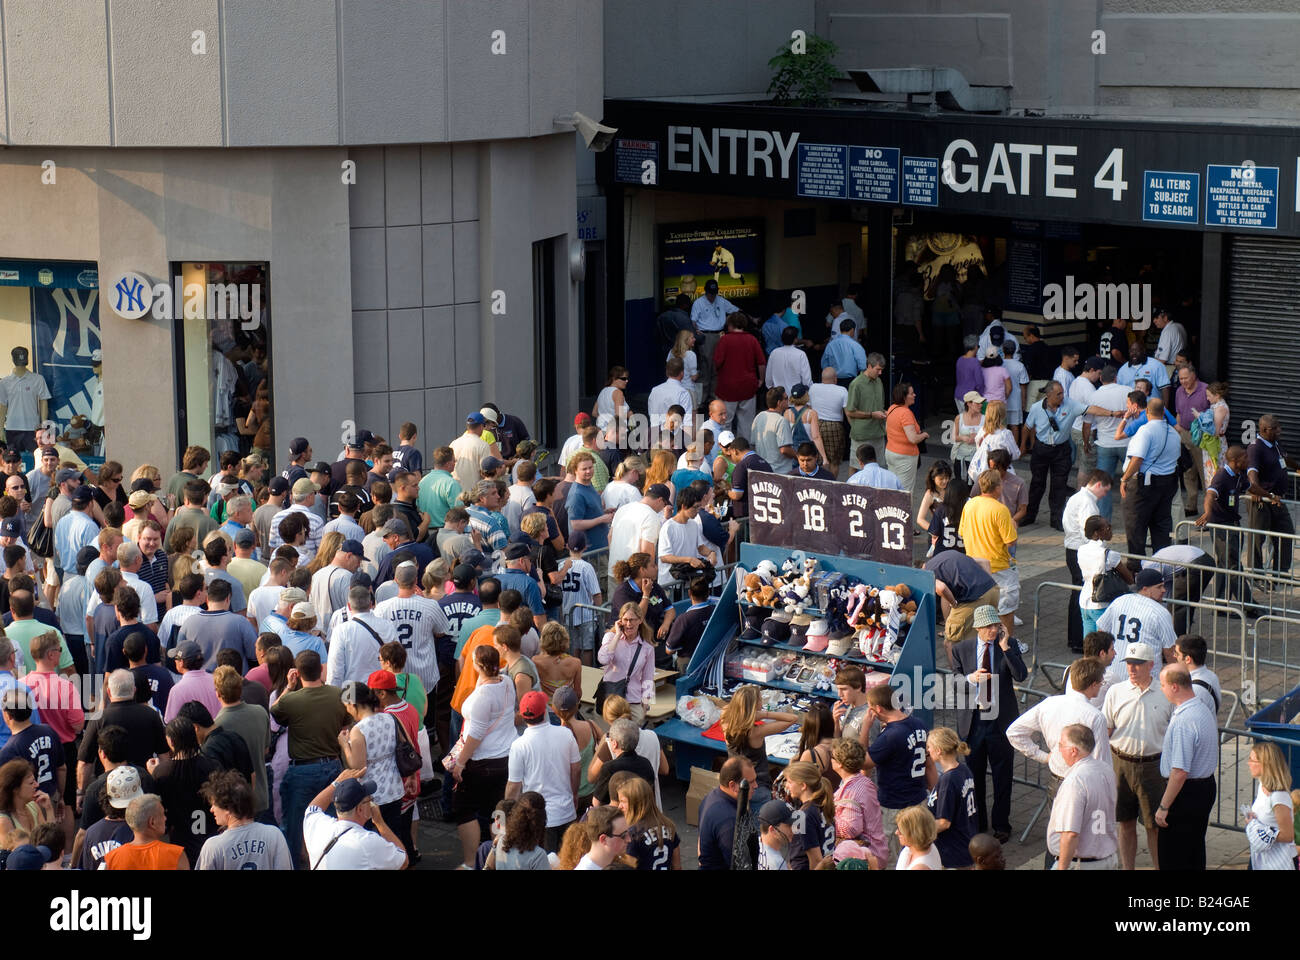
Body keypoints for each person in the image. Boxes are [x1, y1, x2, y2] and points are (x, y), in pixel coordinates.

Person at [949, 604, 1026, 842]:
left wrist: (1005, 648)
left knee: (1003, 775)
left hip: (1000, 721)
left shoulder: (1008, 645)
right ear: (978, 628)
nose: (994, 630)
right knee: (974, 775)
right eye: (989, 627)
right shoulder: (962, 648)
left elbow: (1021, 675)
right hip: (973, 722)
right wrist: (970, 679)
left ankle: (1002, 824)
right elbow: (954, 682)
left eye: (996, 625)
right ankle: (978, 821)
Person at [269, 650, 348, 870]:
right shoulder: (338, 694)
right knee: (335, 825)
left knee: (293, 827)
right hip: (333, 766)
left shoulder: (292, 700)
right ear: (321, 670)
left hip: (301, 771)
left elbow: (274, 712)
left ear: (297, 672)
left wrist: (288, 686)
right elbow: (348, 719)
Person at [1102, 642, 1172, 870]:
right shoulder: (1116, 692)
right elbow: (1107, 728)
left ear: (1151, 665)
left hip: (1153, 765)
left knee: (1154, 825)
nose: (1132, 669)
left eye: (1138, 664)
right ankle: (1128, 868)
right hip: (1120, 763)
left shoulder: (1165, 694)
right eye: (1129, 663)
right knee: (1125, 821)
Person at [449, 644, 517, 871]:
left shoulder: (481, 698)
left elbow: (476, 734)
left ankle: (470, 863)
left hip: (481, 761)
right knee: (497, 810)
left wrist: (460, 763)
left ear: (478, 665)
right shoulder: (506, 683)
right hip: (505, 757)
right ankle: (500, 860)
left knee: (464, 808)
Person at [860, 683, 935, 864]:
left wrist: (865, 727)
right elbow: (929, 763)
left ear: (878, 709)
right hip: (919, 799)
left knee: (892, 858)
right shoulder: (919, 724)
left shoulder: (889, 737)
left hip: (894, 806)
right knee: (919, 850)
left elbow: (863, 761)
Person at [1154, 664, 1218, 871]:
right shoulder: (1201, 709)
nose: (1161, 689)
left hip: (1185, 794)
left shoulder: (1184, 720)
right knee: (1193, 851)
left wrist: (1164, 807)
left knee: (1173, 857)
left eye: (1162, 685)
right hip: (1204, 787)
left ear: (1174, 687)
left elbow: (1180, 771)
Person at [145, 716, 220, 864]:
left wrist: (154, 774)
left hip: (179, 842)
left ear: (171, 741)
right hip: (210, 837)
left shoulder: (162, 773)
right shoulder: (213, 766)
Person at [302, 768, 407, 870]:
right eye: (369, 800)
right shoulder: (368, 841)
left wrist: (336, 783)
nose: (372, 803)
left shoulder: (319, 825)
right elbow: (403, 862)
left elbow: (313, 807)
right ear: (360, 809)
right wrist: (380, 823)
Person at [1047, 723, 1119, 870]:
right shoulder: (1106, 770)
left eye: (1061, 745)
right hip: (1107, 859)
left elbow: (1070, 834)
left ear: (1073, 751)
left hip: (1081, 864)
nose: (1059, 750)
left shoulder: (1075, 782)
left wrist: (1062, 868)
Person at [1120, 397, 1182, 561]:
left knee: (1136, 525)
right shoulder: (1174, 433)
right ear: (1164, 413)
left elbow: (1137, 459)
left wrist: (1124, 479)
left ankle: (1136, 567)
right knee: (1161, 525)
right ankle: (1161, 563)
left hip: (1144, 484)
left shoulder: (1145, 431)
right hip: (1167, 482)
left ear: (1147, 411)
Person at [958, 471, 1019, 635]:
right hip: (999, 566)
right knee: (1006, 610)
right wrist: (1013, 526)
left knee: (982, 609)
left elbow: (962, 532)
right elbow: (1010, 541)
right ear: (997, 487)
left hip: (976, 566)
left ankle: (985, 642)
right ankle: (1007, 645)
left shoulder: (969, 504)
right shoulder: (1000, 509)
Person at [720, 685, 799, 809]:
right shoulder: (755, 732)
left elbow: (728, 709)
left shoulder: (726, 722)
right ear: (754, 706)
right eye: (760, 700)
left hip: (735, 784)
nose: (762, 703)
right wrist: (764, 714)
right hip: (757, 785)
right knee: (760, 825)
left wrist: (746, 713)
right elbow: (793, 719)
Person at [197, 768, 292, 869]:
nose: (211, 809)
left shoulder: (213, 847)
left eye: (214, 804)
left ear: (228, 808)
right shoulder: (274, 835)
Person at [1022, 381, 1085, 528]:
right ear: (1049, 394)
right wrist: (1023, 446)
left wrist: (1113, 413)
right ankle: (1030, 515)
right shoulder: (1037, 408)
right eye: (1059, 394)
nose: (1062, 396)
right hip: (1041, 448)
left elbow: (1090, 409)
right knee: (1037, 483)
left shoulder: (1069, 405)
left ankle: (1057, 519)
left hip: (1061, 450)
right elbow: (1027, 427)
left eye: (1063, 393)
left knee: (1059, 485)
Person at [1245, 414, 1299, 576]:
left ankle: (1280, 574)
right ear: (1264, 430)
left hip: (1277, 499)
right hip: (1263, 500)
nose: (1279, 431)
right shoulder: (1256, 447)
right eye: (1275, 428)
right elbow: (1252, 474)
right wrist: (1260, 491)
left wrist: (1297, 467)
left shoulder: (1274, 443)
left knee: (1286, 534)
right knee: (1257, 540)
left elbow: (1285, 458)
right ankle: (1256, 575)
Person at [1097, 568, 1178, 665]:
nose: (1164, 590)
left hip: (1114, 670)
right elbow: (1170, 652)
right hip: (1145, 674)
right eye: (1159, 587)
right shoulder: (1160, 613)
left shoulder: (1119, 601)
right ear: (1145, 589)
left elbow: (1101, 634)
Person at [595, 602, 657, 726]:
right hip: (611, 698)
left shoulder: (647, 647)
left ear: (640, 620)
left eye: (632, 620)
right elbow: (603, 659)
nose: (629, 624)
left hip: (633, 699)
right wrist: (617, 635)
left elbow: (648, 677)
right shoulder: (610, 637)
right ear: (620, 621)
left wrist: (645, 706)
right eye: (626, 620)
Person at [923, 726, 976, 868]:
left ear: (939, 750)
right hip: (966, 843)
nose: (927, 750)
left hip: (952, 851)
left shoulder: (948, 780)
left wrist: (919, 832)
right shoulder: (964, 770)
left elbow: (943, 823)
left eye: (929, 746)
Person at [830, 737, 887, 865]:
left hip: (864, 858)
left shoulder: (850, 792)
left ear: (840, 764)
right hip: (878, 851)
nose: (830, 759)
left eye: (832, 757)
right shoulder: (865, 782)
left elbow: (851, 829)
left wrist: (828, 818)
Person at [1077, 515, 1133, 639]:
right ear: (1097, 533)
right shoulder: (1109, 555)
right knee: (1104, 644)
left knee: (1090, 644)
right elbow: (1129, 579)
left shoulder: (1081, 549)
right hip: (1101, 603)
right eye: (1107, 528)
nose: (1110, 530)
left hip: (1085, 600)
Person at [1244, 741, 1297, 870]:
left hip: (1278, 862)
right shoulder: (1262, 786)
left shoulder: (1279, 797)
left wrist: (1256, 828)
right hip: (1262, 859)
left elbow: (1288, 835)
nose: (1248, 763)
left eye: (1252, 760)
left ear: (1265, 765)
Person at [697, 755, 756, 870]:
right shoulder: (730, 821)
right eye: (751, 782)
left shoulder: (712, 796)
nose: (756, 785)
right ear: (733, 786)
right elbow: (739, 864)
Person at [102, 793, 189, 870]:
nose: (165, 818)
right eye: (162, 814)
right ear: (152, 822)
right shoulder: (176, 855)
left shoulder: (112, 859)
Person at [713, 314, 766, 438]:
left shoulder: (724, 340)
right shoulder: (752, 339)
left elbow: (717, 362)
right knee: (747, 424)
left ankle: (726, 451)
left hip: (727, 387)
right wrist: (761, 380)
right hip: (748, 386)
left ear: (730, 325)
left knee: (725, 422)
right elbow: (761, 362)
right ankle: (744, 452)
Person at [617, 774, 680, 870]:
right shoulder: (669, 826)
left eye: (623, 801)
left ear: (636, 803)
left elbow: (626, 866)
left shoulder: (633, 834)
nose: (619, 806)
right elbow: (677, 866)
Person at [782, 760, 836, 870]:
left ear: (803, 785)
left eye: (790, 782)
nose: (786, 786)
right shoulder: (822, 804)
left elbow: (815, 860)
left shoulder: (802, 815)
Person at [883, 381, 927, 494]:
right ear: (904, 397)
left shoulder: (892, 408)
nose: (914, 395)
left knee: (893, 487)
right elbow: (913, 439)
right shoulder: (906, 413)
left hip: (890, 451)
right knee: (905, 492)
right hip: (905, 456)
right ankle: (904, 512)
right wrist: (924, 435)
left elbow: (887, 429)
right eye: (911, 393)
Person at [846, 352, 887, 452]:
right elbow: (850, 412)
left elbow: (879, 407)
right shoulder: (856, 384)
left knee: (880, 465)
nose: (880, 373)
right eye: (878, 369)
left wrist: (885, 413)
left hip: (879, 432)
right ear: (869, 366)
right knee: (858, 466)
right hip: (863, 435)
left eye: (882, 370)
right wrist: (872, 414)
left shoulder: (879, 382)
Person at [574, 804, 630, 871]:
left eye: (628, 833)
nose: (629, 839)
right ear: (603, 839)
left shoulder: (613, 862)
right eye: (623, 835)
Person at [894, 804, 942, 870]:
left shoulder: (920, 867)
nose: (896, 832)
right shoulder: (928, 846)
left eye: (901, 831)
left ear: (914, 834)